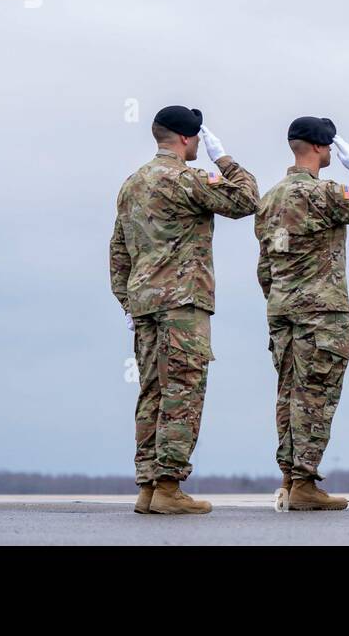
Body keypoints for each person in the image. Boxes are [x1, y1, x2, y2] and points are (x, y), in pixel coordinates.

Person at [110, 105, 259, 515]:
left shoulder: (132, 184)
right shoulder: (187, 179)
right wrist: (225, 160)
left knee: (152, 392)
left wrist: (130, 300)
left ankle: (148, 486)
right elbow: (247, 199)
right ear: (187, 139)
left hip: (144, 306)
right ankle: (170, 486)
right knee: (183, 391)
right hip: (182, 303)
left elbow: (118, 251)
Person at [255, 117, 349, 510]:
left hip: (282, 311)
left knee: (288, 395)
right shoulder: (325, 193)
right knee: (315, 395)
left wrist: (280, 297)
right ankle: (305, 484)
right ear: (317, 147)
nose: (332, 152)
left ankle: (289, 476)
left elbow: (265, 266)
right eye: (330, 145)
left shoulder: (270, 198)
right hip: (321, 312)